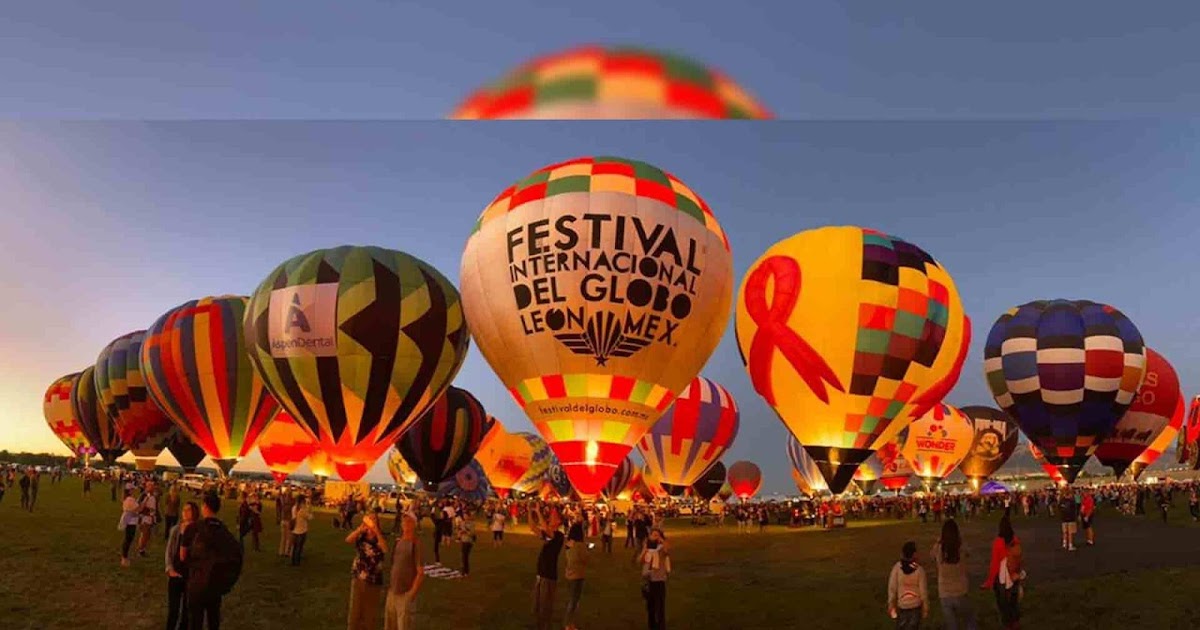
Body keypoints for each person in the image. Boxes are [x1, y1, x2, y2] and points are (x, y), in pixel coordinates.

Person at [181, 493, 242, 630]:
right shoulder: (224, 531)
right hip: (215, 582)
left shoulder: (193, 528)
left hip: (197, 582)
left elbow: (183, 556)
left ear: (205, 507)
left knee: (195, 621)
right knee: (213, 619)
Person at [932, 520, 976, 630]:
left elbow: (931, 555)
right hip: (961, 590)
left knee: (952, 625)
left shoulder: (939, 549)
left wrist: (938, 542)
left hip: (945, 593)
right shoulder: (961, 547)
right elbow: (970, 552)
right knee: (969, 621)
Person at [982, 511, 1022, 630]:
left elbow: (995, 563)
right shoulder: (1015, 540)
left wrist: (990, 580)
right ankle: (1015, 622)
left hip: (1002, 576)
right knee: (1013, 601)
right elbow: (1019, 556)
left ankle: (1007, 623)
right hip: (1013, 573)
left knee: (1003, 601)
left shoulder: (998, 542)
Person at [346, 513, 387, 630]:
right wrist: (360, 529)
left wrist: (376, 531)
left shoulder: (379, 537)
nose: (371, 520)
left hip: (373, 579)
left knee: (370, 611)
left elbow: (384, 549)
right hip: (358, 576)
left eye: (374, 518)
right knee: (355, 609)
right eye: (369, 518)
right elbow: (348, 539)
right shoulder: (361, 535)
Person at [385, 513, 424, 630]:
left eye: (409, 522)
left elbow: (420, 572)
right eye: (404, 521)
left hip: (405, 594)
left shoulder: (416, 544)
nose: (405, 524)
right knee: (390, 625)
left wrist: (411, 594)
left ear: (414, 525)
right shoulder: (398, 542)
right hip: (392, 592)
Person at [166, 501, 199, 630]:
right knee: (173, 610)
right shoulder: (176, 529)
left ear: (195, 512)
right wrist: (169, 569)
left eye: (188, 510)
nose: (185, 512)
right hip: (175, 573)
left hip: (191, 575)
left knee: (187, 610)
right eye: (184, 509)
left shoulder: (198, 531)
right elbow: (169, 551)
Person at [530, 505, 564, 630]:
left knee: (545, 607)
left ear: (559, 521)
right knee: (537, 605)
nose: (550, 516)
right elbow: (533, 528)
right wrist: (530, 511)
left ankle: (545, 627)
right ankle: (539, 626)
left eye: (553, 515)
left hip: (549, 577)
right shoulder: (548, 535)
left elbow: (545, 528)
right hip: (541, 574)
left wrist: (538, 511)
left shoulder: (559, 536)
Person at [887, 541, 928, 629]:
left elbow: (892, 587)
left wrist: (891, 603)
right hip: (915, 605)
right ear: (914, 554)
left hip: (902, 605)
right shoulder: (919, 570)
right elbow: (923, 590)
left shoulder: (897, 568)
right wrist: (925, 606)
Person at [641, 527, 671, 630]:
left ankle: (661, 627)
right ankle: (652, 626)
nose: (654, 537)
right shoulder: (648, 549)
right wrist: (644, 550)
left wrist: (661, 540)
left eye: (656, 535)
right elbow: (639, 561)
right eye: (652, 535)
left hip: (659, 581)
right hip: (649, 581)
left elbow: (667, 549)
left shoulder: (661, 548)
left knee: (660, 607)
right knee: (651, 608)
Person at [563, 522, 588, 630]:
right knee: (574, 601)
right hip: (578, 574)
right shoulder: (579, 545)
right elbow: (586, 559)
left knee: (572, 600)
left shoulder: (568, 544)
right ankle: (568, 624)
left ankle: (570, 623)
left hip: (569, 573)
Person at [119, 488, 141, 567]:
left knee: (127, 539)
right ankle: (124, 558)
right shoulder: (130, 499)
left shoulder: (127, 499)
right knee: (128, 540)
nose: (134, 491)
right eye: (132, 490)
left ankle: (124, 556)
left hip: (128, 521)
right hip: (131, 522)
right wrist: (145, 500)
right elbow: (139, 509)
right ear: (129, 491)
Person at [138, 482, 159, 556]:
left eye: (153, 486)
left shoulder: (153, 495)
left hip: (151, 517)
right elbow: (139, 507)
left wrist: (155, 517)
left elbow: (155, 507)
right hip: (145, 518)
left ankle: (143, 548)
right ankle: (141, 550)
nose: (152, 488)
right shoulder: (143, 495)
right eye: (151, 486)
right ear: (147, 487)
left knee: (147, 535)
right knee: (144, 534)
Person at [291, 495, 312, 565]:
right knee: (299, 548)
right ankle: (297, 561)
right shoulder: (302, 510)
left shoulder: (294, 508)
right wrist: (309, 509)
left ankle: (293, 560)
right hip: (302, 530)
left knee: (295, 547)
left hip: (295, 530)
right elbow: (310, 517)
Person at [457, 508, 477, 576]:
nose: (465, 517)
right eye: (464, 515)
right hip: (463, 540)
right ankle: (465, 570)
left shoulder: (471, 524)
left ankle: (465, 571)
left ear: (469, 516)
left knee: (465, 556)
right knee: (463, 556)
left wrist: (465, 531)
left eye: (466, 515)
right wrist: (459, 534)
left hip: (468, 541)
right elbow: (459, 531)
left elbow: (472, 534)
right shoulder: (462, 523)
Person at [279, 490, 295, 558]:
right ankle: (287, 552)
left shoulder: (283, 502)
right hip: (288, 521)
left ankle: (281, 551)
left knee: (283, 537)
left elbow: (280, 496)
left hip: (283, 520)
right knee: (289, 537)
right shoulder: (291, 503)